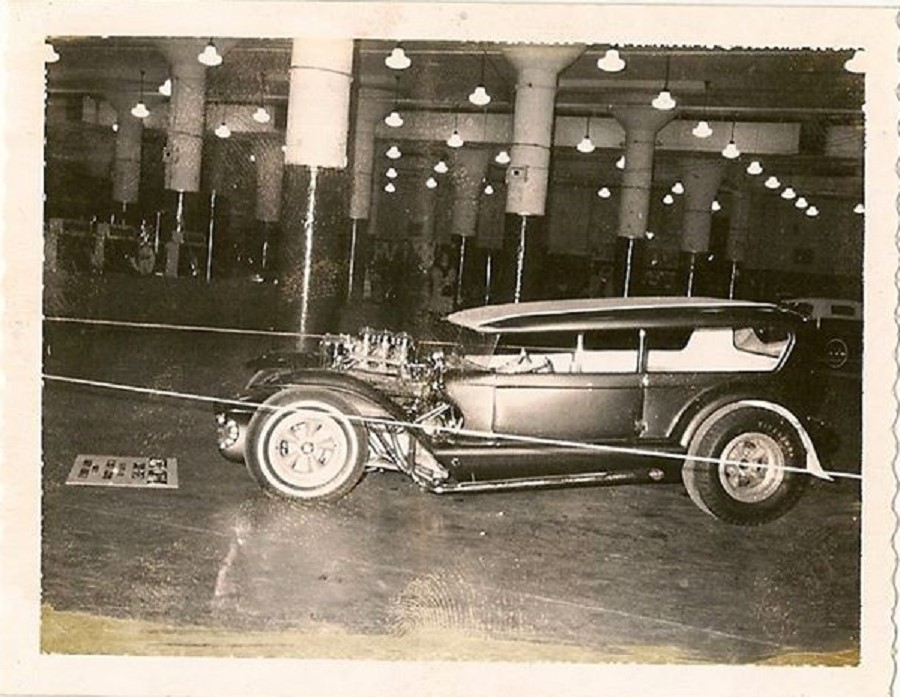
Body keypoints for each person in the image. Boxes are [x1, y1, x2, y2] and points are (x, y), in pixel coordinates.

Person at [429, 247, 457, 317]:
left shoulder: (452, 270)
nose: (445, 259)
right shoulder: (435, 270)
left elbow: (452, 280)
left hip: (448, 297)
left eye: (446, 257)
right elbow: (436, 281)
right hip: (437, 298)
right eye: (443, 257)